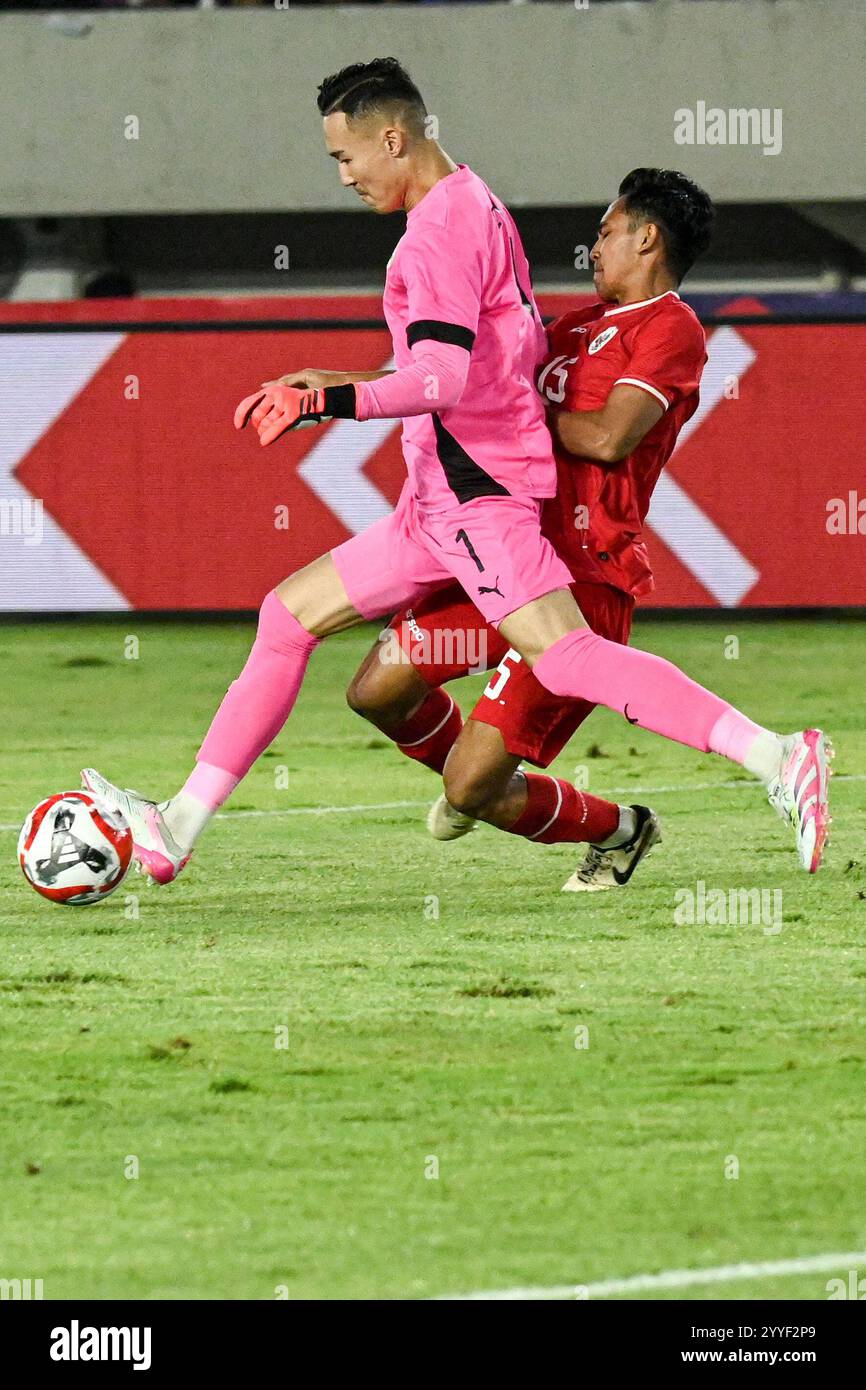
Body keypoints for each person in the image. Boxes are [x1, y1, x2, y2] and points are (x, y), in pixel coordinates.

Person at [81, 58, 831, 884]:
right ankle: (175, 828)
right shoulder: (477, 203)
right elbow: (489, 363)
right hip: (436, 502)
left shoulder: (437, 232)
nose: (345, 176)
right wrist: (342, 379)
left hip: (478, 500)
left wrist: (325, 407)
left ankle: (777, 756)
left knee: (566, 656)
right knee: (287, 618)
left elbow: (441, 379)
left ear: (392, 138)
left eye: (346, 157)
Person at [343, 167, 714, 891]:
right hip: (504, 559)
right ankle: (470, 776)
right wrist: (352, 384)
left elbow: (608, 437)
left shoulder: (672, 328)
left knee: (468, 790)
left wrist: (518, 416)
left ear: (647, 237)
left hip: (579, 582)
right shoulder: (572, 328)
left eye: (606, 232)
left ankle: (617, 828)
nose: (593, 247)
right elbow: (467, 378)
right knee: (377, 692)